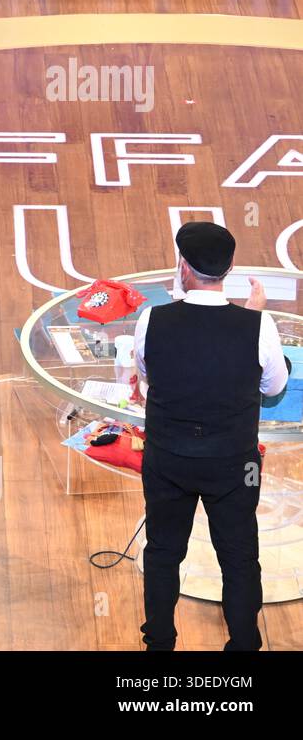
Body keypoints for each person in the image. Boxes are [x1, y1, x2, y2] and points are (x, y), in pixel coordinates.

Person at [133, 221, 287, 651]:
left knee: (163, 551)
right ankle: (243, 645)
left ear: (183, 266)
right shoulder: (258, 325)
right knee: (239, 558)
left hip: (167, 459)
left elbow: (148, 377)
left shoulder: (152, 320)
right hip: (236, 465)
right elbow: (273, 388)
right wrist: (254, 318)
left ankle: (159, 642)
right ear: (230, 267)